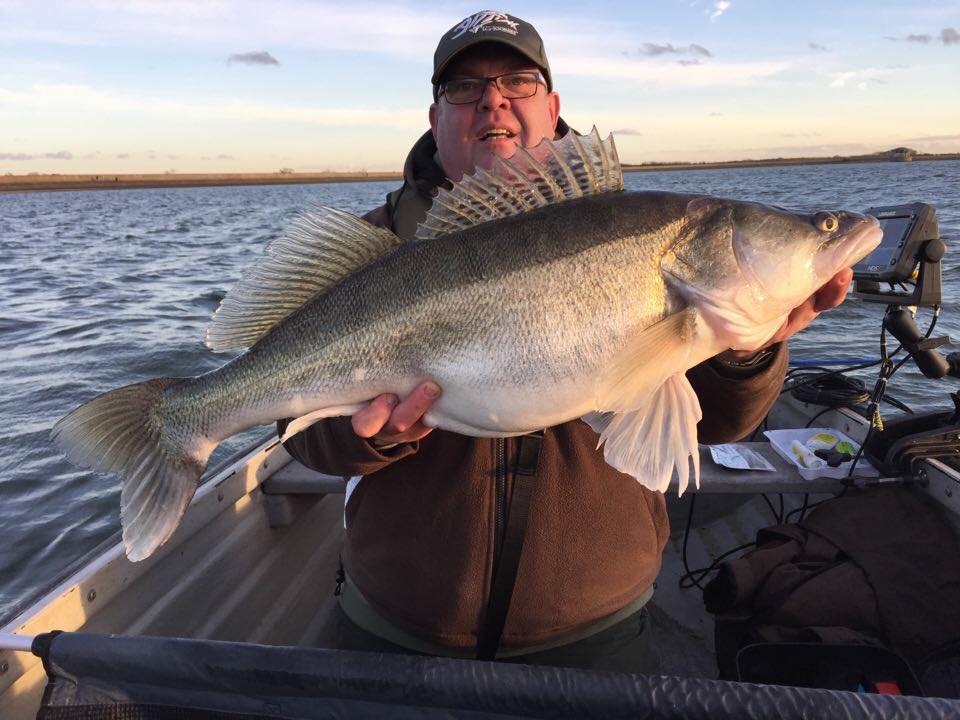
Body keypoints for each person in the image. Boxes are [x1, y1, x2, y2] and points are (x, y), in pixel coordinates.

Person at [279, 10, 853, 672]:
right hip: (393, 630)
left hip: (597, 634)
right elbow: (298, 426)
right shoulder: (371, 254)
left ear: (551, 109)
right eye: (463, 88)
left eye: (517, 81)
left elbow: (721, 424)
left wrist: (747, 351)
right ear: (435, 118)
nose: (492, 100)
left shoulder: (639, 236)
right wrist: (370, 433)